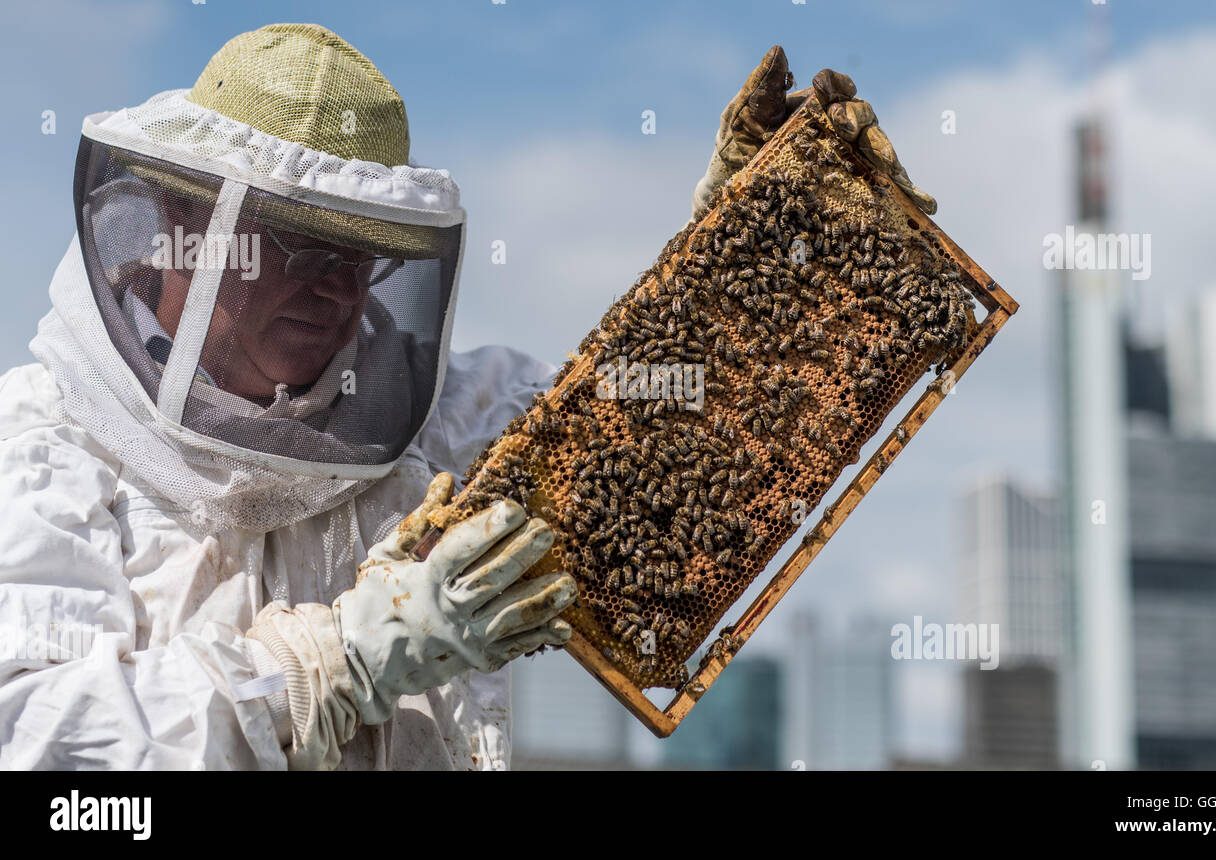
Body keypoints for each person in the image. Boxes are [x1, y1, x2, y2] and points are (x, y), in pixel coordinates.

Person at [0, 25, 933, 770]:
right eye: (294, 240)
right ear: (183, 223)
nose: (336, 284)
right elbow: (37, 749)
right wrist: (336, 664)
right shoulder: (43, 445)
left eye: (359, 251)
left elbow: (669, 447)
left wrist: (747, 259)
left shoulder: (447, 417)